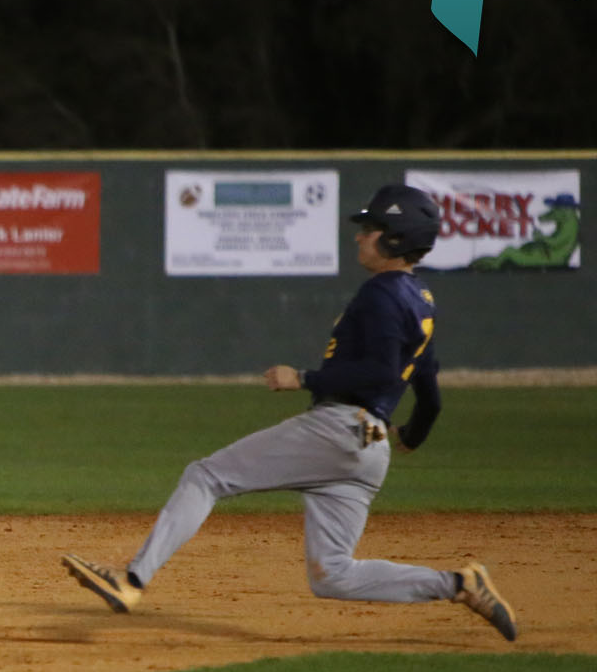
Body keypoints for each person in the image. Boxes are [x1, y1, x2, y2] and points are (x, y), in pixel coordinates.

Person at [61, 183, 518, 641]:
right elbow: (431, 396)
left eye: (372, 229)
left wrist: (303, 378)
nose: (360, 236)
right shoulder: (421, 302)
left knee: (206, 476)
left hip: (337, 429)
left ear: (396, 238)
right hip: (369, 450)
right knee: (332, 574)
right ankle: (460, 584)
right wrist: (412, 435)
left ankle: (132, 580)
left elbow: (379, 370)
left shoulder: (381, 293)